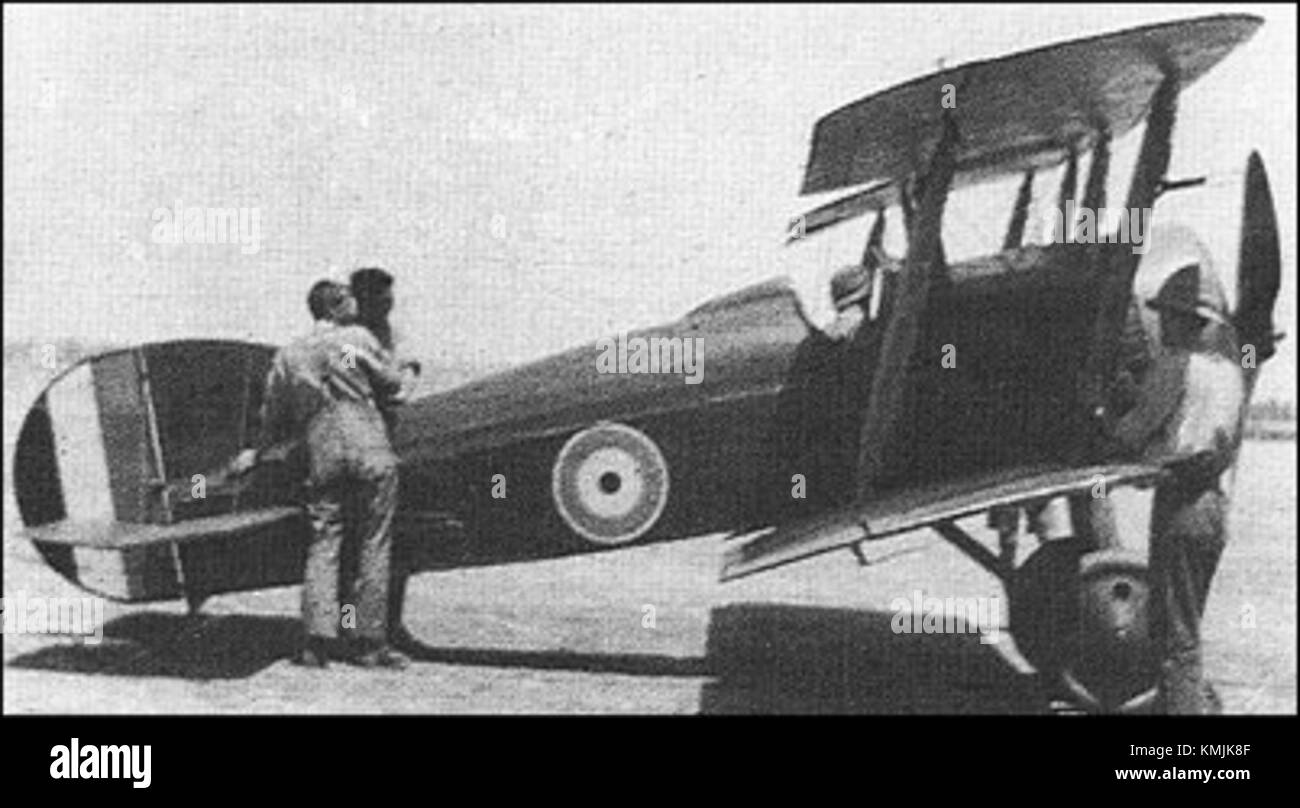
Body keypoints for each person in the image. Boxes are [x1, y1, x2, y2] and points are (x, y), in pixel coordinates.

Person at [233, 280, 410, 669]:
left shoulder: (290, 355)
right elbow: (393, 386)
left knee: (324, 543)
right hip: (369, 448)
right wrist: (408, 369)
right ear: (334, 307)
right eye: (348, 298)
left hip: (323, 454)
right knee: (373, 543)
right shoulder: (356, 340)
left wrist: (255, 452)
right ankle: (369, 644)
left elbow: (272, 416)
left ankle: (316, 644)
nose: (355, 303)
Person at [1108, 263, 1245, 714]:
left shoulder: (1174, 366)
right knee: (1185, 627)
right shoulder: (1229, 373)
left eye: (1168, 315)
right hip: (1211, 510)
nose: (1162, 323)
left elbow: (1135, 432)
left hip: (1180, 507)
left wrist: (1101, 416)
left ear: (1186, 320)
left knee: (1175, 641)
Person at [349, 267, 421, 649]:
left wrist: (402, 383)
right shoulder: (348, 337)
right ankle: (356, 628)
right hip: (357, 445)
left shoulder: (392, 334)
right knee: (357, 542)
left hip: (388, 442)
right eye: (382, 298)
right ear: (363, 300)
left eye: (390, 298)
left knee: (393, 542)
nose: (389, 305)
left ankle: (389, 624)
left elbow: (406, 372)